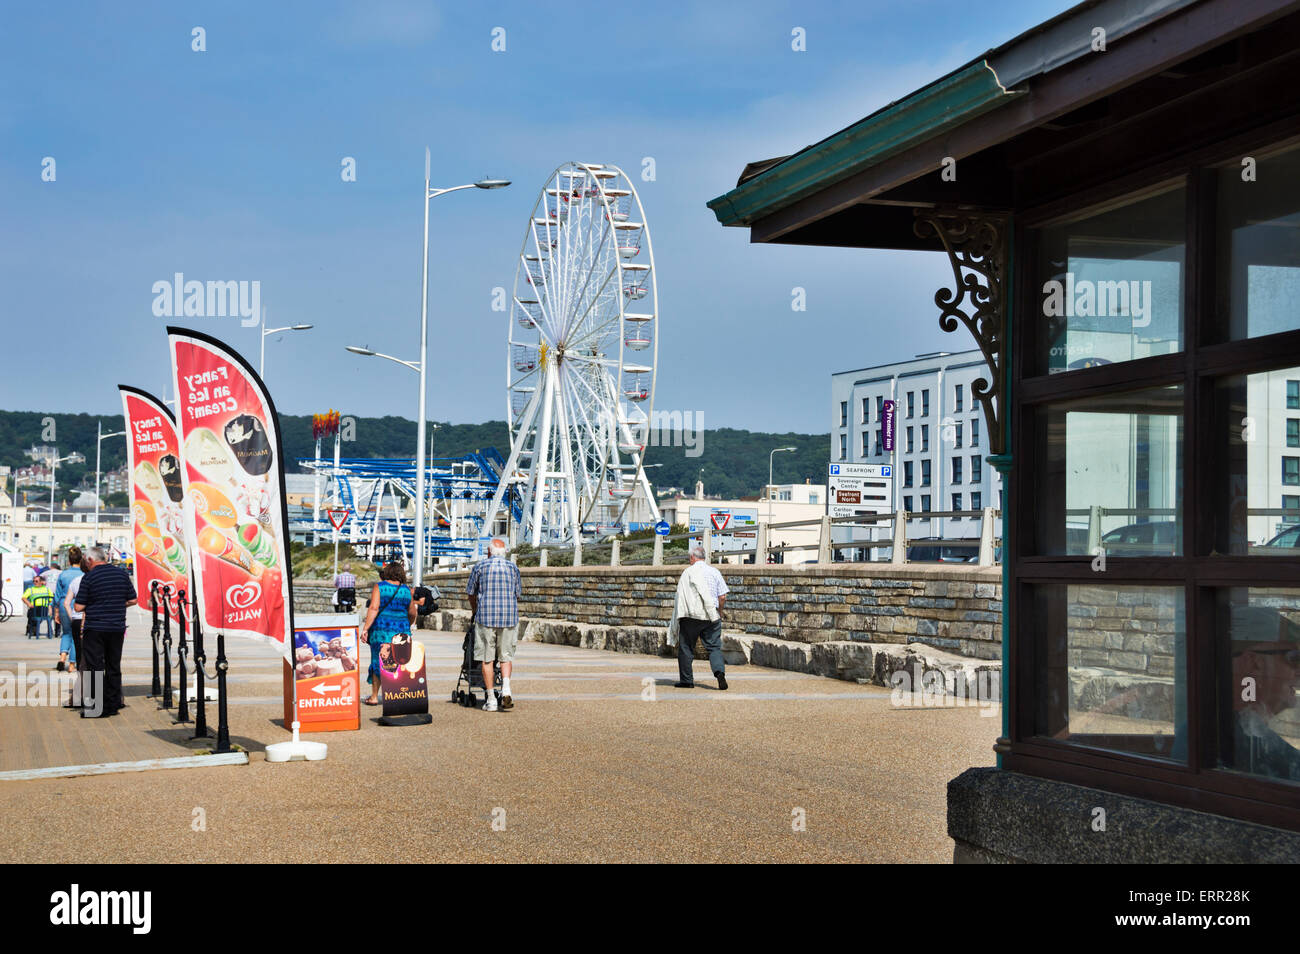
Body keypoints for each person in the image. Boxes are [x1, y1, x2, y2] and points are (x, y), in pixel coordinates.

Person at [1227, 605, 1300, 780]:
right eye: (1294, 658)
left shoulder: (1250, 732)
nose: (1299, 670)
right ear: (1254, 663)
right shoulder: (1228, 738)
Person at [73, 547, 136, 719]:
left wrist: (96, 605)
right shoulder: (122, 574)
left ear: (91, 560)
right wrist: (115, 605)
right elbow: (133, 599)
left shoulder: (89, 577)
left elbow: (78, 607)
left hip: (95, 628)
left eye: (86, 561)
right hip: (116, 627)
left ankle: (96, 707)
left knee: (95, 667)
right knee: (113, 665)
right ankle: (114, 704)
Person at [466, 538, 521, 712]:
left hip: (486, 618)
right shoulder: (513, 568)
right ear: (505, 553)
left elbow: (471, 593)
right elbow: (517, 593)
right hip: (509, 618)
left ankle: (491, 700)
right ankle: (505, 689)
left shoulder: (480, 567)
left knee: (487, 658)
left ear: (488, 552)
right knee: (506, 656)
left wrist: (475, 610)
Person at [668, 544, 729, 690]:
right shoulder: (715, 572)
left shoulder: (687, 573)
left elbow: (680, 597)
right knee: (714, 647)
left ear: (692, 557)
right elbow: (722, 596)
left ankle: (687, 681)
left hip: (691, 616)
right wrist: (719, 611)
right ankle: (719, 673)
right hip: (711, 615)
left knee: (686, 647)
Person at [358, 562, 417, 706]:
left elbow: (373, 608)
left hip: (381, 630)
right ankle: (396, 695)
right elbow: (412, 612)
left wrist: (365, 628)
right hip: (401, 631)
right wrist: (406, 626)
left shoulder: (380, 587)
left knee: (378, 660)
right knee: (399, 661)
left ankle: (373, 697)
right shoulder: (407, 590)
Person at [62, 557, 90, 707]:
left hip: (77, 619)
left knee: (80, 656)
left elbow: (67, 602)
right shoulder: (93, 580)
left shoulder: (76, 581)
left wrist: (72, 616)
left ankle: (80, 693)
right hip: (91, 620)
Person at [53, 547, 83, 671]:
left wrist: (56, 612)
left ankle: (62, 657)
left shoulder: (63, 574)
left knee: (66, 633)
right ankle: (72, 664)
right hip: (78, 606)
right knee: (77, 635)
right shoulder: (84, 574)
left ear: (69, 561)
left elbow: (57, 594)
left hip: (63, 605)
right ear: (81, 560)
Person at [21, 574, 54, 638]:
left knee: (36, 613)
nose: (34, 582)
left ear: (41, 582)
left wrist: (50, 608)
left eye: (36, 581)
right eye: (34, 581)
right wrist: (29, 604)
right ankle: (32, 627)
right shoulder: (31, 589)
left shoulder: (47, 589)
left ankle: (32, 627)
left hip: (44, 608)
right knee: (32, 612)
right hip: (34, 608)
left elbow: (51, 600)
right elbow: (23, 597)